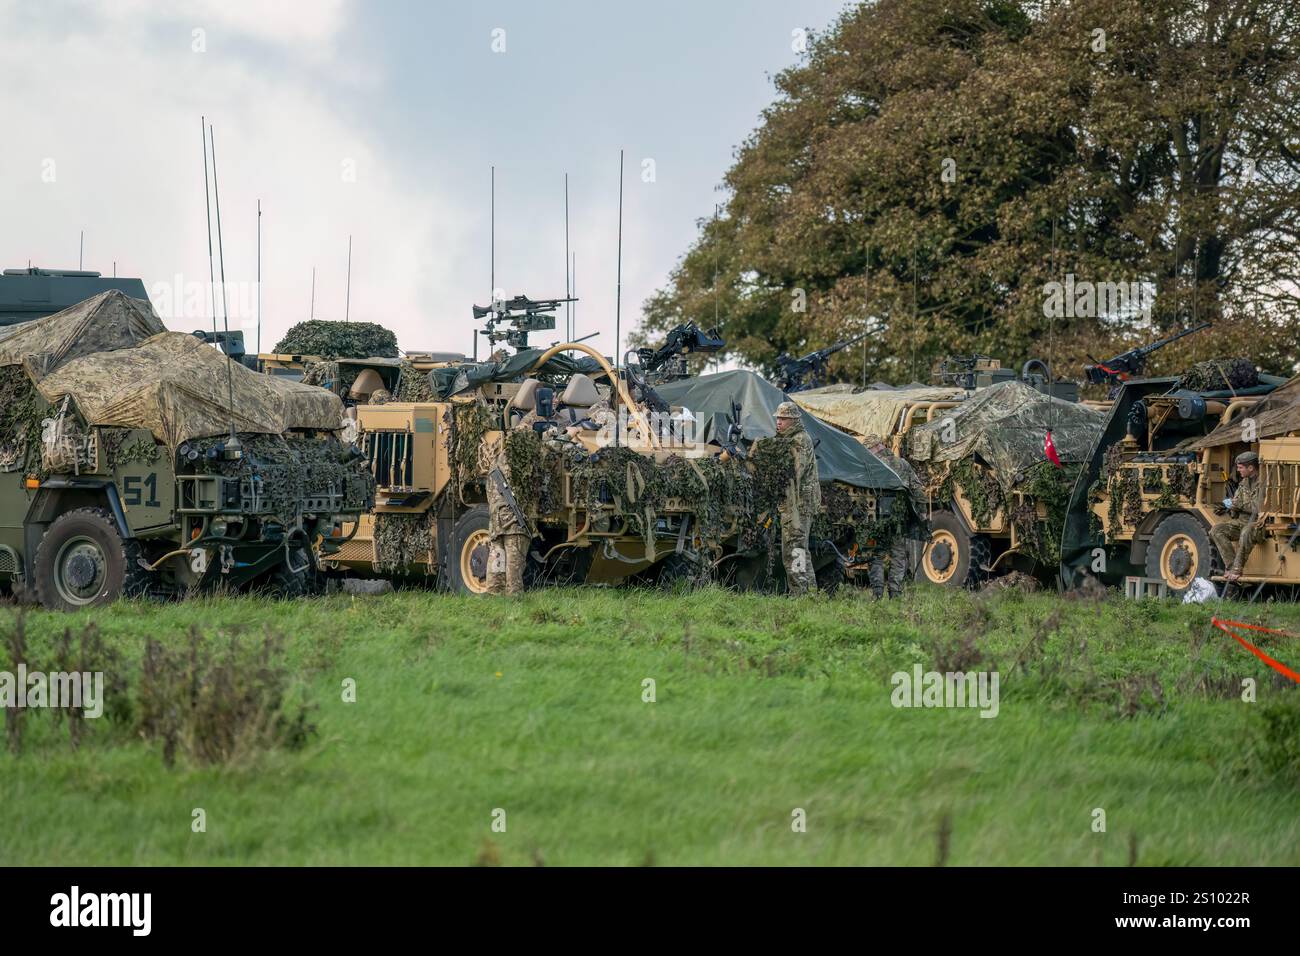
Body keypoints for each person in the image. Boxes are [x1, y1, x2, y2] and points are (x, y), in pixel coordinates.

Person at [485, 388, 546, 595]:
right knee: (514, 565)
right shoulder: (523, 458)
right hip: (515, 522)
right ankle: (514, 601)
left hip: (498, 520)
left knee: (496, 561)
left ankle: (493, 597)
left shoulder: (501, 456)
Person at [863, 434, 928, 599]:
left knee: (875, 556)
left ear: (876, 447)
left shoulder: (868, 466)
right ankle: (895, 593)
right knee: (898, 555)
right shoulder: (903, 464)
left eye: (869, 450)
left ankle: (877, 594)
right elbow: (918, 490)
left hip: (875, 519)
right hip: (898, 519)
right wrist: (922, 513)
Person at [768, 402, 821, 596]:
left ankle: (800, 594)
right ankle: (809, 592)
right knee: (799, 550)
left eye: (783, 419)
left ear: (794, 420)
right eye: (778, 418)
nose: (779, 422)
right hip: (795, 504)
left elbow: (793, 472)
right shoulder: (792, 439)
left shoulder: (799, 440)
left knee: (794, 551)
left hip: (798, 506)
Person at [1212, 450, 1262, 592]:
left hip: (1260, 523)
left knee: (1246, 531)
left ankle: (1237, 569)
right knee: (1217, 530)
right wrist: (1230, 506)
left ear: (1250, 468)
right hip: (1242, 521)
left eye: (1241, 468)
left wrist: (1237, 504)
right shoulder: (1243, 483)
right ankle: (1230, 566)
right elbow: (1237, 507)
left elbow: (1258, 508)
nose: (1238, 470)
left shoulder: (1264, 483)